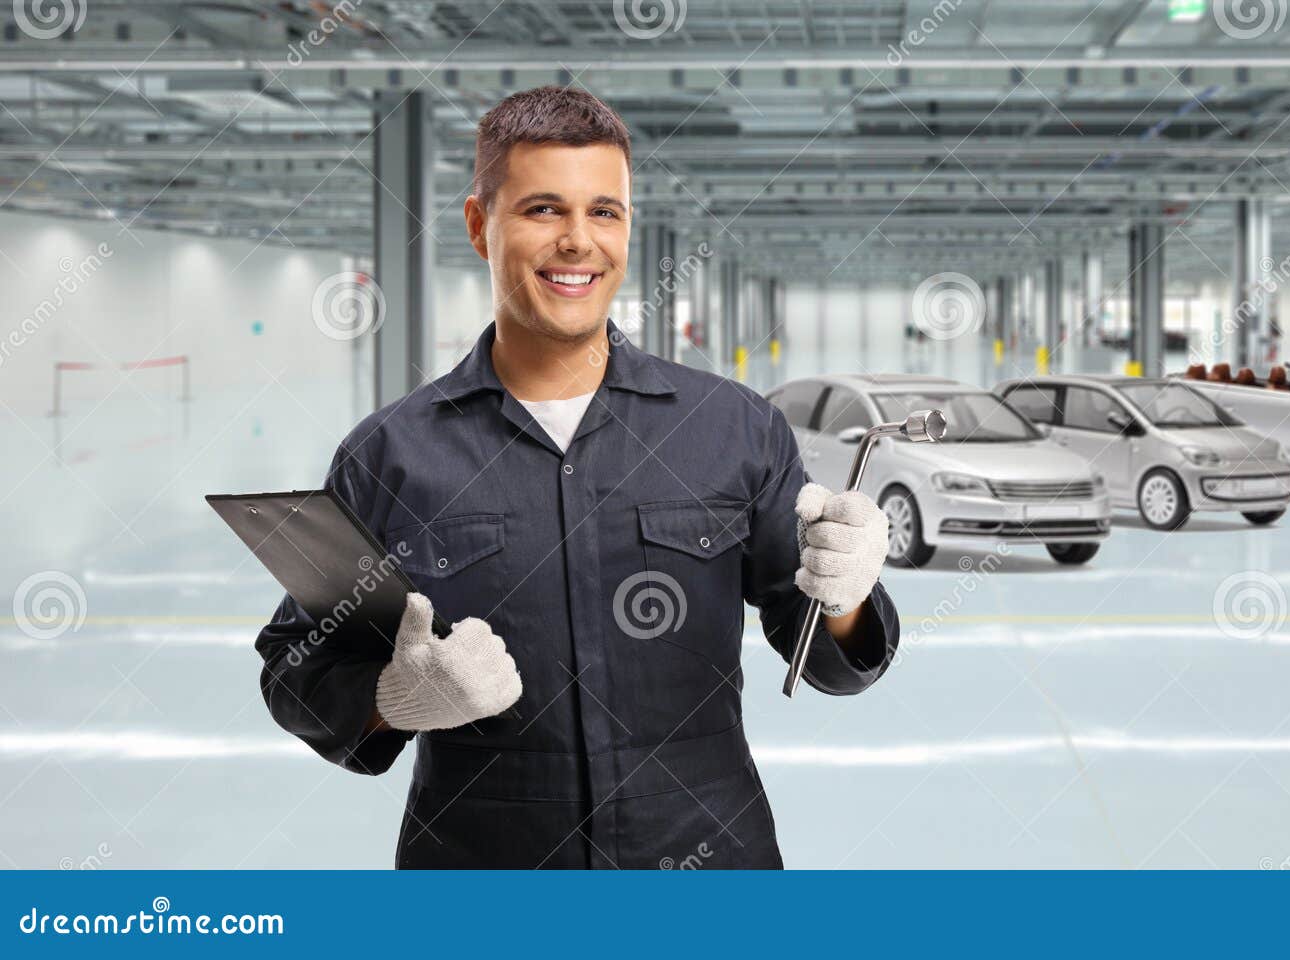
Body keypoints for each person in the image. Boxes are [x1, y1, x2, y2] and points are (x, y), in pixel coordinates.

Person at [253, 86, 900, 869]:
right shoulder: (390, 454)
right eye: (542, 210)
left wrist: (846, 595)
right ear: (478, 226)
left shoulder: (732, 429)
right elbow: (300, 667)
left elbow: (826, 658)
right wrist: (392, 700)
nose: (578, 242)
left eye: (605, 212)